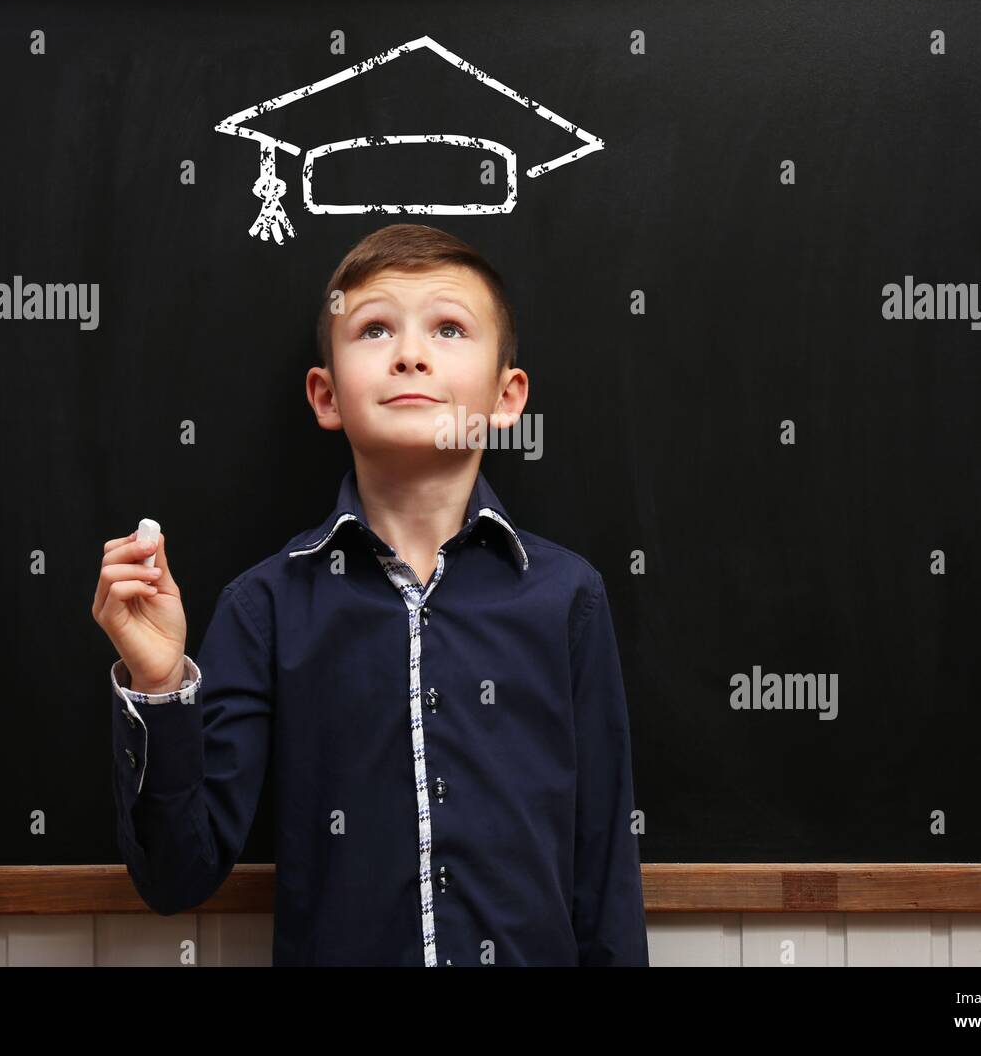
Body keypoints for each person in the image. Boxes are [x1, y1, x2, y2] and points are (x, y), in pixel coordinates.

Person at [92, 223, 649, 966]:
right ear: (325, 396)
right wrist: (160, 686)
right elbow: (176, 876)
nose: (410, 353)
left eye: (449, 328)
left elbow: (604, 868)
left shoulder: (565, 597)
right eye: (375, 328)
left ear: (506, 397)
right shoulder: (267, 607)